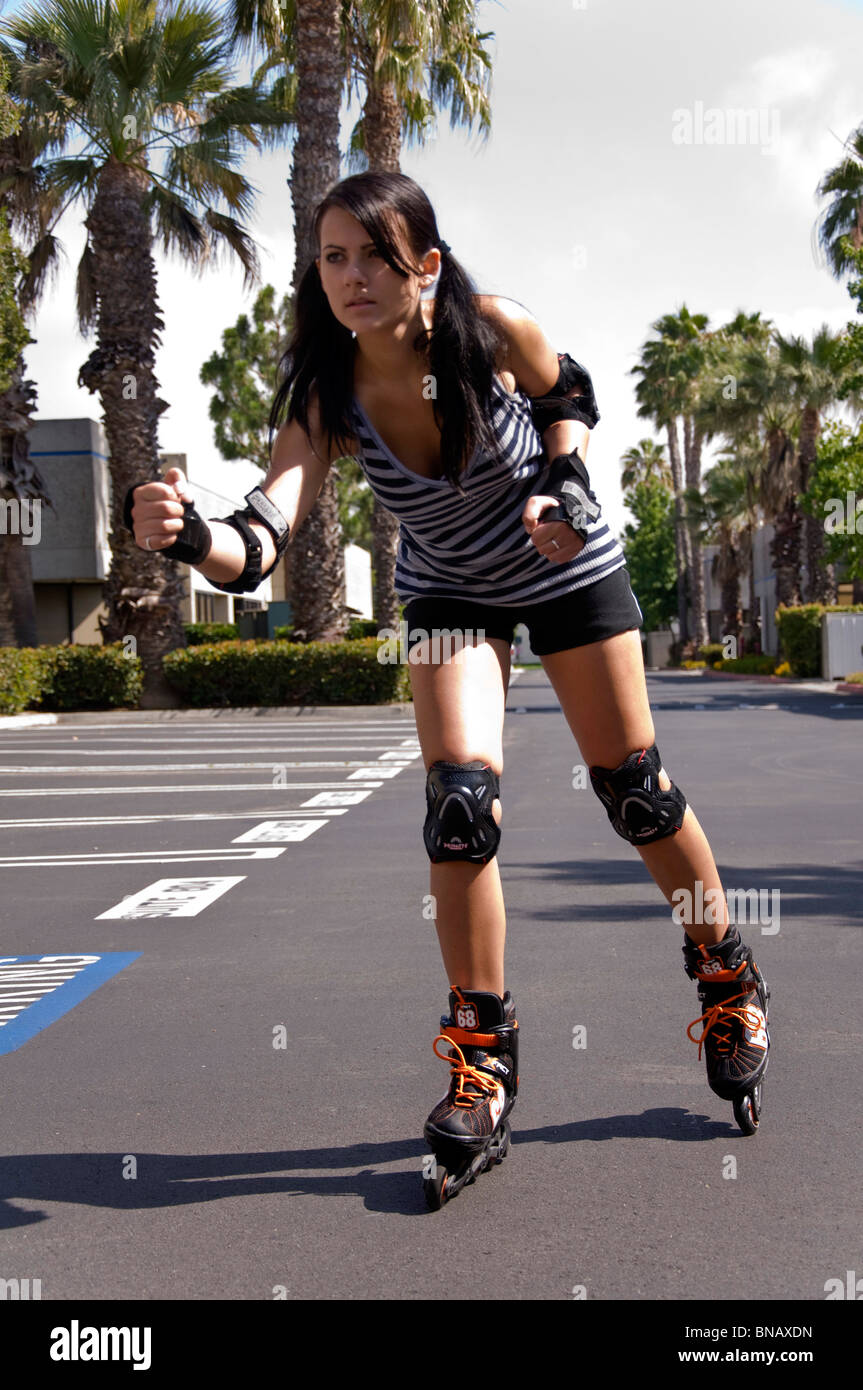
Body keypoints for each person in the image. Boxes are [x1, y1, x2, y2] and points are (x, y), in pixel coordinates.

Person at [125, 171, 770, 1205]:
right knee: (458, 809)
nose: (350, 278)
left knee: (634, 790)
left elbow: (566, 393)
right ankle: (482, 1060)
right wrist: (197, 537)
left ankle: (725, 972)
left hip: (564, 566)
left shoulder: (487, 326)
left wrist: (563, 483)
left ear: (423, 263)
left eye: (373, 256)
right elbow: (265, 532)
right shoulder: (324, 389)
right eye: (331, 258)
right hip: (449, 594)